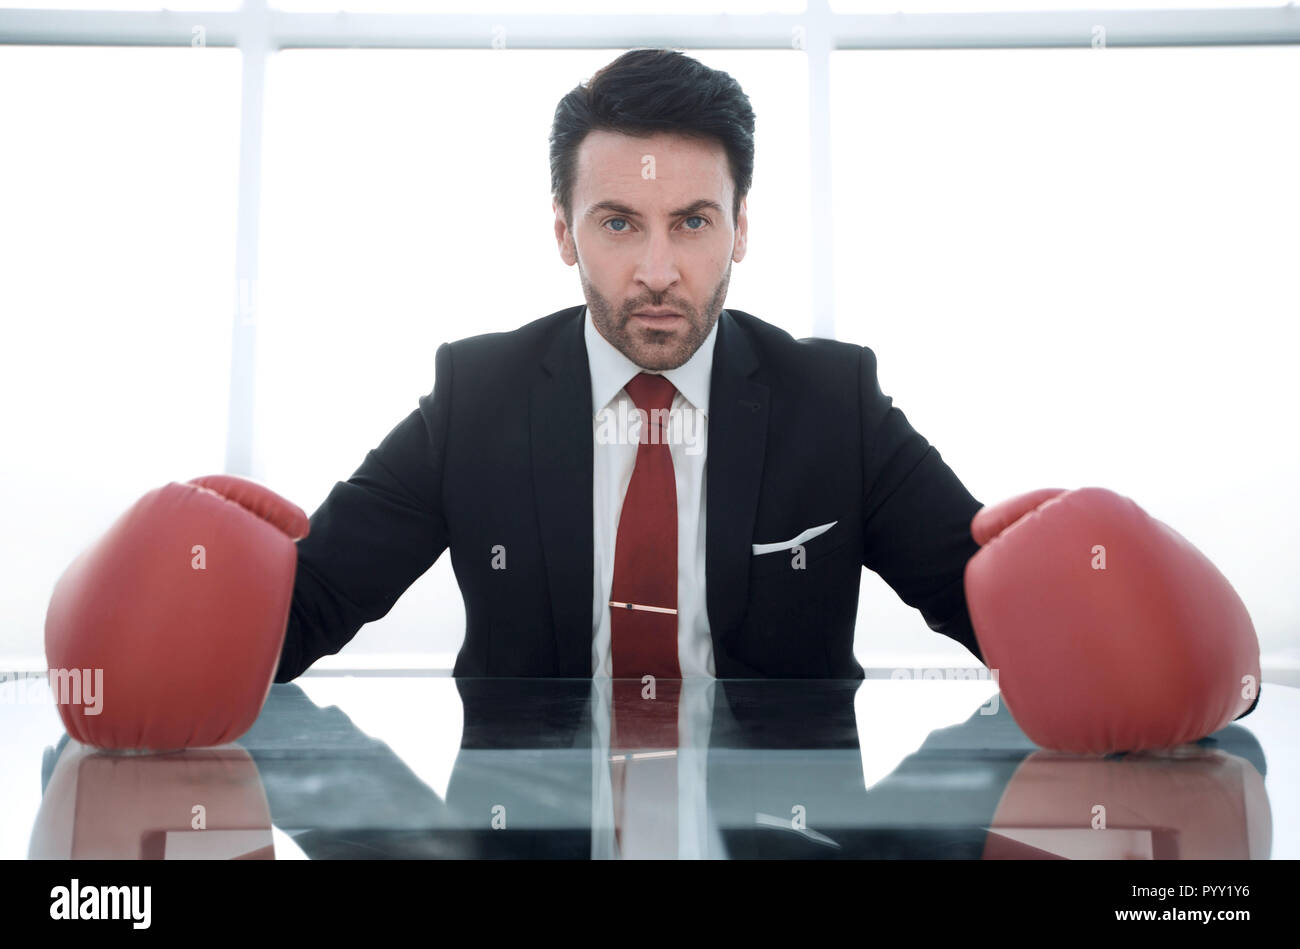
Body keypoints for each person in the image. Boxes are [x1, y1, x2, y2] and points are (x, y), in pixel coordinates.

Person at [274, 47, 984, 684]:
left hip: (776, 826)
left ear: (741, 229)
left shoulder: (836, 405)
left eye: (693, 222)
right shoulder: (476, 398)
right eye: (618, 223)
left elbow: (990, 603)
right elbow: (304, 611)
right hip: (529, 822)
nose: (656, 273)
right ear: (563, 232)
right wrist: (208, 564)